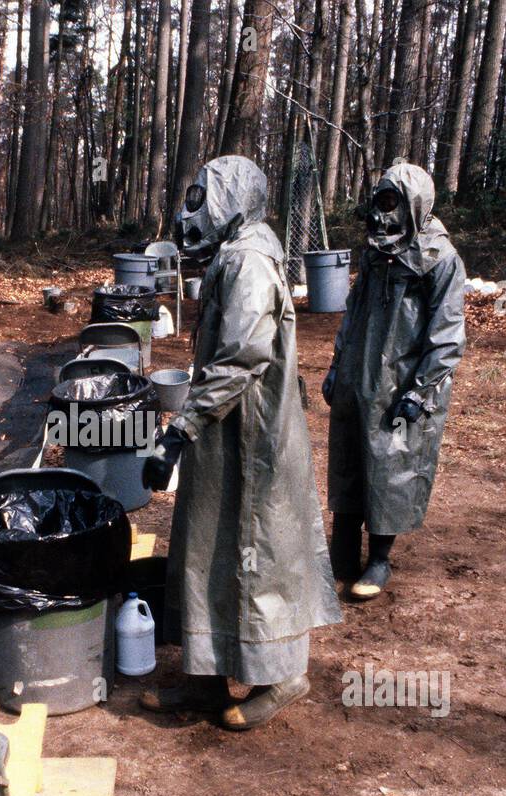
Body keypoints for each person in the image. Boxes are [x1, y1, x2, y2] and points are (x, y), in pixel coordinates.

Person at [140, 155, 342, 731]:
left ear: (232, 201)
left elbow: (243, 359)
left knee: (262, 554)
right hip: (222, 433)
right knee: (209, 545)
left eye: (202, 199)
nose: (190, 213)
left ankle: (282, 676)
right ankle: (205, 679)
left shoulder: (250, 259)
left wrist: (179, 431)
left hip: (254, 438)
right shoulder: (235, 253)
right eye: (192, 197)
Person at [322, 162, 466, 600]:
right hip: (357, 376)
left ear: (413, 205)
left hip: (402, 381)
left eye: (391, 205)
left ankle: (379, 560)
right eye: (378, 204)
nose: (382, 217)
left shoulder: (439, 259)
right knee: (348, 460)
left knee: (392, 467)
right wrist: (336, 365)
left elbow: (447, 334)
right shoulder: (373, 255)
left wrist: (420, 393)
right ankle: (341, 554)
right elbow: (353, 313)